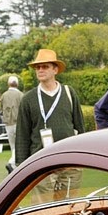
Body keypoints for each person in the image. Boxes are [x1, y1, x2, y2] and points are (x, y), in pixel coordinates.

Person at [15, 49, 84, 200]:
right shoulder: (28, 99)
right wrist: (21, 167)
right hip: (41, 164)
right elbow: (22, 136)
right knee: (41, 213)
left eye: (45, 66)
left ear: (55, 69)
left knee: (67, 212)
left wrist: (83, 158)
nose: (40, 70)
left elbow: (80, 128)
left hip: (69, 162)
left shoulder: (69, 93)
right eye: (37, 67)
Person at [0, 76, 23, 153]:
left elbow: (1, 109)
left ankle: (13, 159)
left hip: (8, 123)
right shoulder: (21, 95)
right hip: (19, 123)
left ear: (8, 84)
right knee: (20, 143)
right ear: (17, 84)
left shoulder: (4, 95)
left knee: (12, 144)